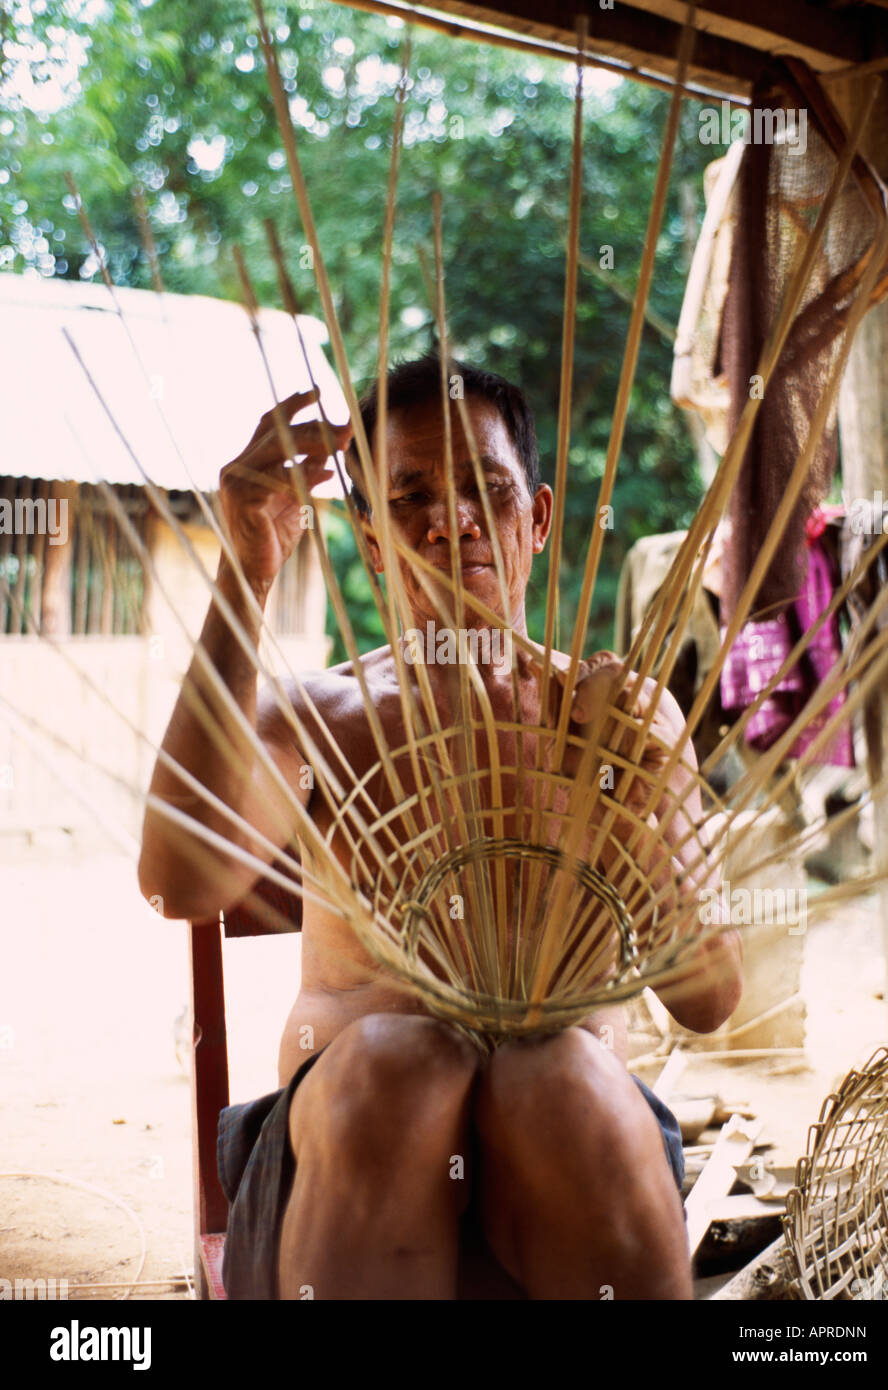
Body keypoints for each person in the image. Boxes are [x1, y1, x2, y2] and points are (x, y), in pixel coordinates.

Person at [138, 353, 742, 1300]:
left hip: (574, 1151)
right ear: (372, 539)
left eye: (485, 490)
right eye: (408, 494)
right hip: (340, 1144)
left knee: (557, 1076)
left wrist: (634, 798)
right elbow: (180, 882)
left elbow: (710, 998)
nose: (449, 517)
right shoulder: (317, 718)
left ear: (536, 519)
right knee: (398, 1060)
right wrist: (245, 566)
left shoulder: (617, 714)